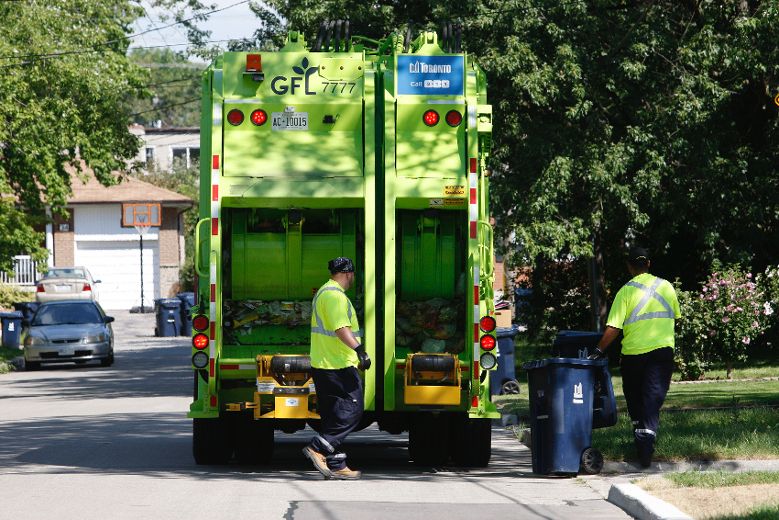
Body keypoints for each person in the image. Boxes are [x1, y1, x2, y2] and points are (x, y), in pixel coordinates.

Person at [590, 246, 681, 468]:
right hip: (662, 351)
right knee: (652, 398)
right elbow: (675, 317)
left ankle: (643, 441)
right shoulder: (667, 287)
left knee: (636, 400)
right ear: (648, 263)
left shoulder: (625, 292)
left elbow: (613, 327)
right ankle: (645, 441)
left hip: (633, 355)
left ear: (630, 266)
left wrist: (598, 350)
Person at [302, 257, 371, 480]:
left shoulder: (324, 292)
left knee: (333, 415)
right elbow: (341, 328)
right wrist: (360, 350)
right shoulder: (334, 296)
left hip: (325, 363)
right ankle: (317, 447)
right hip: (337, 364)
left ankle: (337, 463)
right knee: (353, 409)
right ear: (348, 273)